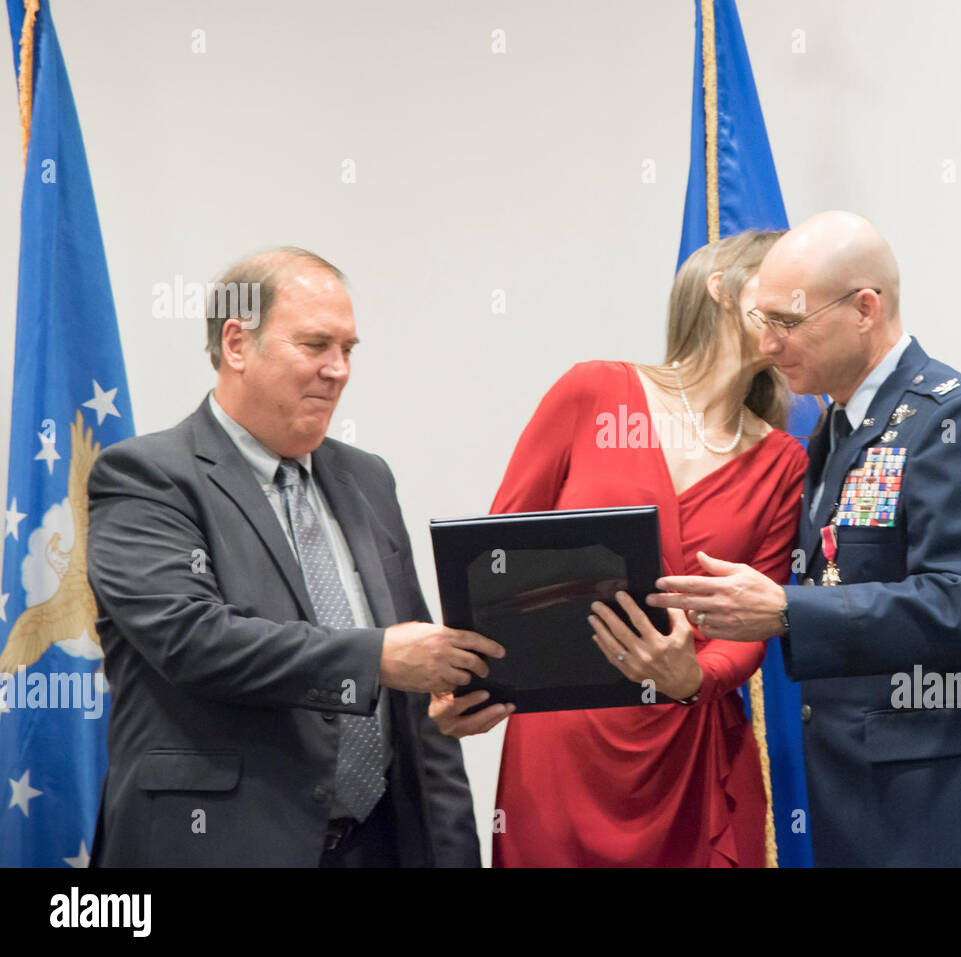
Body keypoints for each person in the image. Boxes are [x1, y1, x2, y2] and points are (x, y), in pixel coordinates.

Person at [648, 211, 961, 866]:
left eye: (786, 322)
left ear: (865, 309)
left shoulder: (953, 419)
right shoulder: (834, 430)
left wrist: (789, 610)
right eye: (761, 321)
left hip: (944, 811)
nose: (766, 344)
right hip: (860, 806)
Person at [86, 247, 505, 867]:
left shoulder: (367, 478)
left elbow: (413, 689)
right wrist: (377, 659)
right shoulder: (146, 476)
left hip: (380, 845)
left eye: (349, 349)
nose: (338, 370)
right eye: (315, 345)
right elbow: (192, 639)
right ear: (236, 344)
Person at [432, 230, 807, 867]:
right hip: (565, 745)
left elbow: (757, 621)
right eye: (779, 283)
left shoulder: (784, 461)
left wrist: (693, 677)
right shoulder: (593, 392)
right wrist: (467, 681)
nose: (797, 301)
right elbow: (494, 560)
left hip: (690, 748)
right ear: (720, 287)